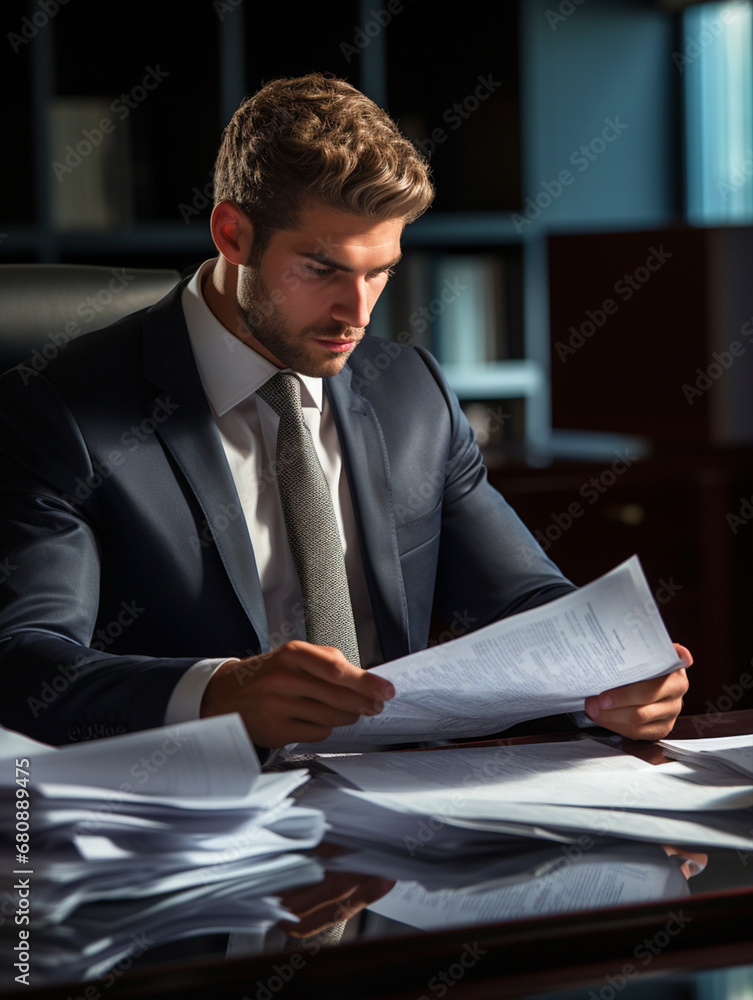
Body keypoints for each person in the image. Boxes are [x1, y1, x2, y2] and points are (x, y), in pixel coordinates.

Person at [0, 73, 689, 752]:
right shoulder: (59, 410)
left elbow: (522, 602)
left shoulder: (410, 391)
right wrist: (218, 694)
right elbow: (24, 662)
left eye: (379, 271)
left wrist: (612, 680)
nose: (357, 314)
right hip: (199, 823)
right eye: (322, 269)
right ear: (233, 234)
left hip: (402, 814)